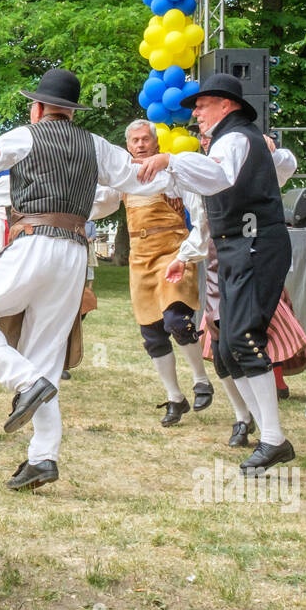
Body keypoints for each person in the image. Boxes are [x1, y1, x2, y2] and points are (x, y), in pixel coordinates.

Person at [0, 68, 183, 491]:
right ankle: (43, 456)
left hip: (36, 240)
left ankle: (25, 382)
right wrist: (179, 165)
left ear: (38, 106)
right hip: (74, 253)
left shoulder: (25, 136)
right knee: (43, 351)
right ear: (72, 112)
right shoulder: (97, 145)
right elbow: (137, 179)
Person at [137, 73, 298, 474]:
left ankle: (273, 439)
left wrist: (171, 159)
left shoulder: (236, 138)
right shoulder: (232, 142)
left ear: (227, 105)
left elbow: (222, 176)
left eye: (202, 105)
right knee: (226, 347)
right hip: (234, 248)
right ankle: (266, 433)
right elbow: (212, 195)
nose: (195, 114)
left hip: (256, 245)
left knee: (242, 338)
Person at [120, 119, 212, 426]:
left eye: (145, 139)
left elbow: (197, 210)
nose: (141, 144)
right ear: (128, 146)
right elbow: (95, 204)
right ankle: (175, 397)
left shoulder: (172, 174)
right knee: (151, 334)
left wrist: (189, 252)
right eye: (135, 141)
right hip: (139, 258)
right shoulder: (122, 180)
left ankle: (201, 380)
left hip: (173, 251)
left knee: (177, 320)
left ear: (156, 143)